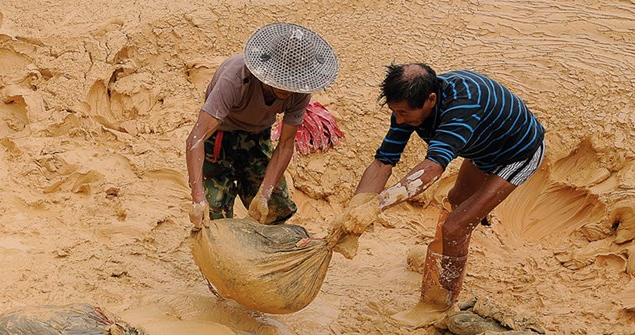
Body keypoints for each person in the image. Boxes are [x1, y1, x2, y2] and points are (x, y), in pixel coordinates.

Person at [347, 63, 545, 317]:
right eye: (395, 112)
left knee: (456, 226)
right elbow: (383, 162)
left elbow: (432, 169)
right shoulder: (407, 106)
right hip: (481, 148)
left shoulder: (463, 105)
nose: (399, 120)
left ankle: (439, 302)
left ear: (431, 99)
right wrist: (353, 210)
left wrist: (377, 206)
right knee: (455, 202)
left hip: (517, 154)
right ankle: (441, 261)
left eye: (404, 113)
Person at [185, 23, 338, 228]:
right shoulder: (236, 77)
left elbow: (285, 144)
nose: (286, 90)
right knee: (213, 213)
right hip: (220, 135)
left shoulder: (300, 91)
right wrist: (197, 197)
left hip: (257, 136)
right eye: (279, 80)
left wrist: (265, 194)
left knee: (274, 207)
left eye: (291, 84)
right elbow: (196, 139)